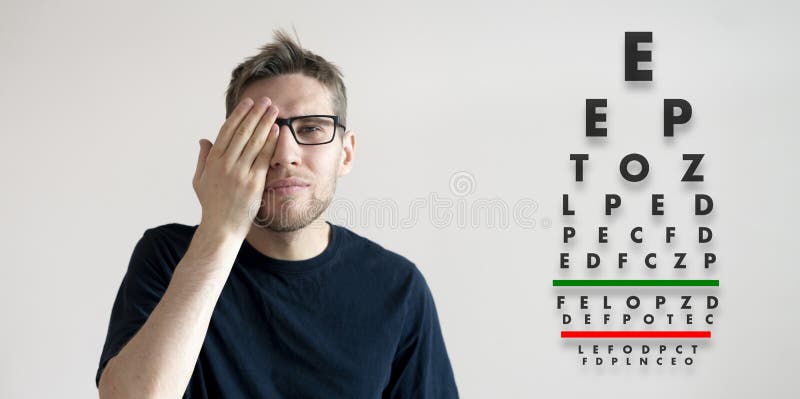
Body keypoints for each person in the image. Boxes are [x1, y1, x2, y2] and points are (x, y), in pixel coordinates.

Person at [95, 29, 459, 398]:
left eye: (312, 128)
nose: (284, 154)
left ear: (346, 153)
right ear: (228, 148)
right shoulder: (169, 256)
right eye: (261, 133)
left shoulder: (397, 286)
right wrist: (220, 230)